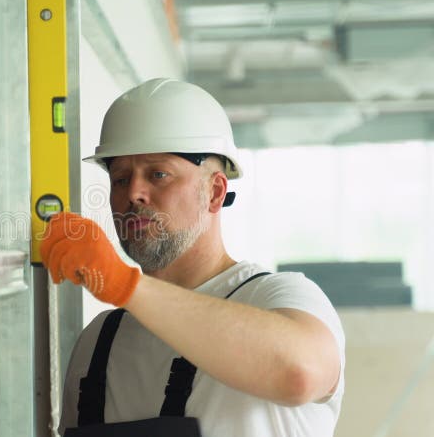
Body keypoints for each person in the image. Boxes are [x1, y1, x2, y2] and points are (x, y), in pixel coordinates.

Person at [42, 78, 345, 437]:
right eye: (120, 178)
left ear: (214, 193)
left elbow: (300, 373)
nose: (134, 192)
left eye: (158, 174)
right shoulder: (97, 344)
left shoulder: (278, 298)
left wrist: (124, 285)